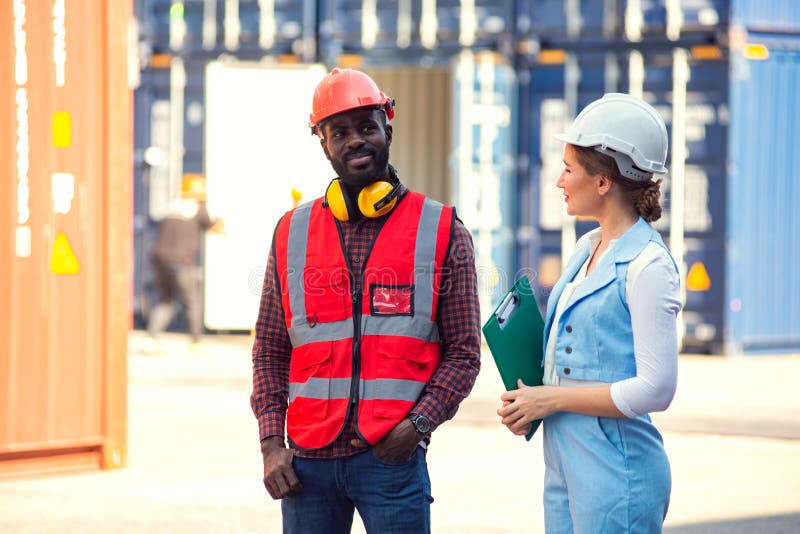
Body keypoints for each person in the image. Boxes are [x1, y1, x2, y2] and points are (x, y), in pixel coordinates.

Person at [250, 68, 481, 533]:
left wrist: (416, 427)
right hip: (306, 466)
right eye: (340, 132)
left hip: (390, 461)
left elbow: (464, 354)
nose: (356, 140)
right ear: (323, 144)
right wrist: (272, 442)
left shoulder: (441, 231)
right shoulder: (291, 233)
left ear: (387, 130)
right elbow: (271, 350)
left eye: (367, 127)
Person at [497, 93, 682, 532]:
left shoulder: (649, 266)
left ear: (603, 182)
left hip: (618, 472)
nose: (559, 181)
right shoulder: (585, 249)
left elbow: (656, 390)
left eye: (568, 169)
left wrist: (550, 399)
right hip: (563, 461)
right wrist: (529, 399)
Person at [144, 174, 222, 352]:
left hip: (159, 261)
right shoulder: (199, 208)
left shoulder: (172, 207)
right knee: (191, 302)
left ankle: (151, 339)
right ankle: (196, 343)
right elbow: (213, 227)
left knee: (166, 301)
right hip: (182, 263)